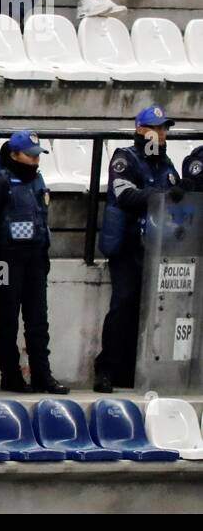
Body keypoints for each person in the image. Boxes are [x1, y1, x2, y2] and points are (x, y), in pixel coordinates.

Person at [93, 104, 180, 393]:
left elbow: (178, 198)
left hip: (157, 247)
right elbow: (125, 195)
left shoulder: (165, 164)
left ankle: (133, 371)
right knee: (123, 305)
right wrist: (162, 196)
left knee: (149, 311)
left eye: (164, 128)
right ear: (140, 130)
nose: (161, 133)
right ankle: (106, 370)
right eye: (156, 127)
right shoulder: (124, 158)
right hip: (129, 246)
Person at [0, 130, 68, 395]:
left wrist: (44, 255)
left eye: (37, 155)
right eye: (30, 155)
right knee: (8, 319)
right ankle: (12, 376)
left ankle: (43, 376)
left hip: (35, 259)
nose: (35, 161)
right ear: (14, 154)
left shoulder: (37, 181)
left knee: (38, 321)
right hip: (7, 260)